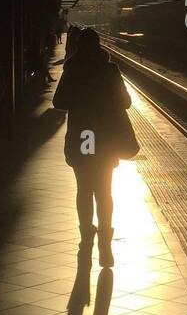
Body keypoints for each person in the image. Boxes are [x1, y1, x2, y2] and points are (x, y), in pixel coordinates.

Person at [51, 28, 137, 266]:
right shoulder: (110, 70)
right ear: (99, 46)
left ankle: (86, 235)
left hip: (81, 138)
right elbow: (126, 102)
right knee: (104, 191)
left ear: (79, 46)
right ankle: (105, 243)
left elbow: (58, 101)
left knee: (84, 190)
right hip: (106, 139)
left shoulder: (73, 68)